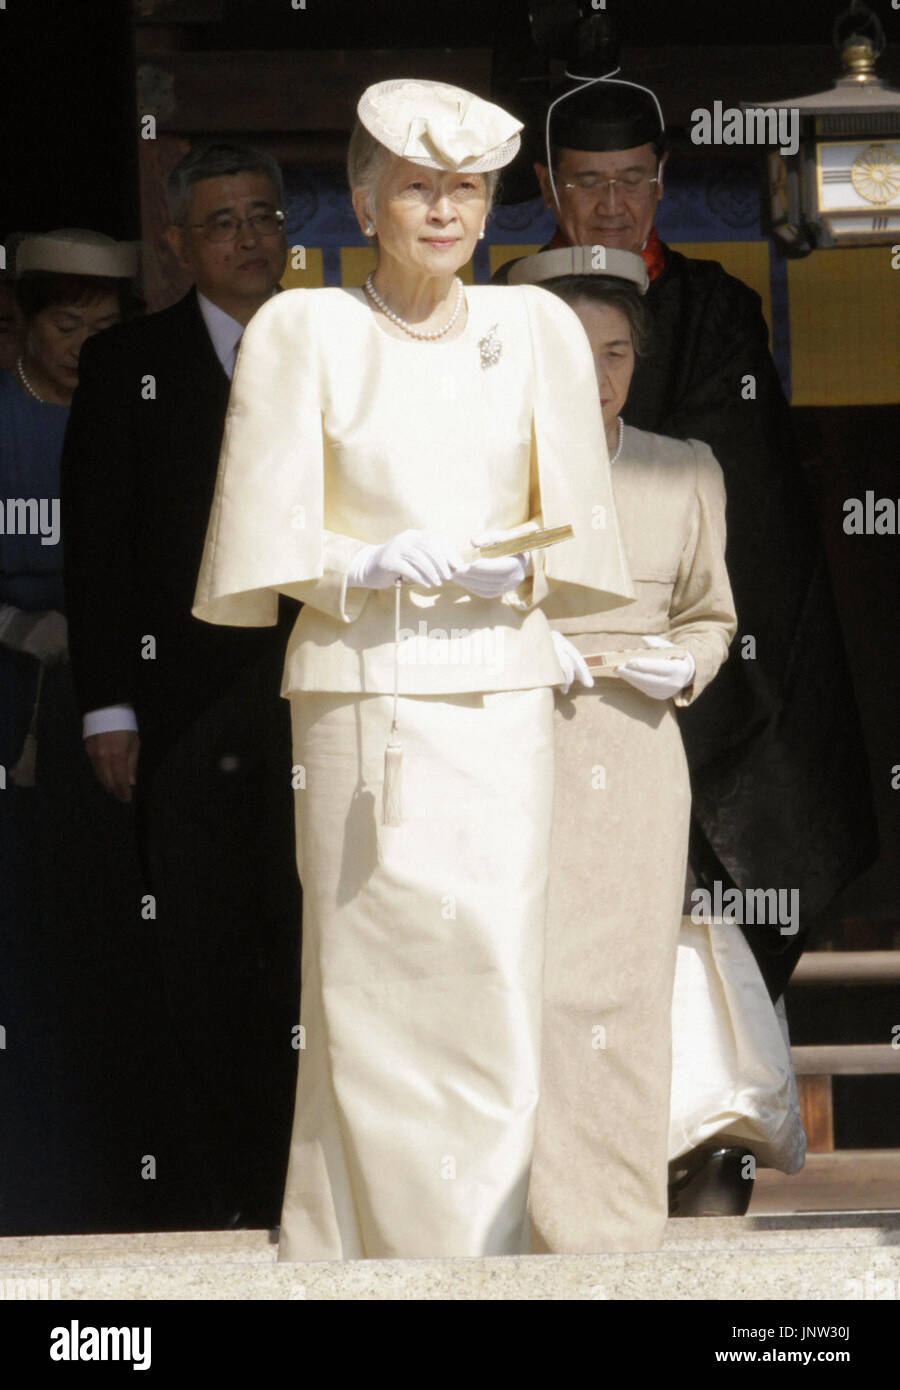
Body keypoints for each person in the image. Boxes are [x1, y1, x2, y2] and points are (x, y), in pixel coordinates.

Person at [192, 77, 634, 1261]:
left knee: (492, 969)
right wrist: (361, 562)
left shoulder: (535, 328)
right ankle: (369, 1251)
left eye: (468, 189)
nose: (445, 210)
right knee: (371, 986)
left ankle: (481, 1250)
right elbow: (261, 541)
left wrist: (519, 578)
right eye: (418, 186)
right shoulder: (305, 330)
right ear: (361, 197)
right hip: (363, 691)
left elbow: (579, 537)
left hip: (498, 691)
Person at [494, 76, 875, 1002]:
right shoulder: (503, 313)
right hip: (536, 670)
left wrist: (684, 644)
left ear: (661, 181)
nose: (613, 205)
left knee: (698, 979)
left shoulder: (717, 310)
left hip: (687, 667)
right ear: (549, 187)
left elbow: (759, 533)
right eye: (589, 182)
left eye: (633, 179)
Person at [513, 252, 804, 1251]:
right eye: (575, 351)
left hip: (637, 746)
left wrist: (676, 667)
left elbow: (713, 615)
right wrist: (523, 646)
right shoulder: (490, 466)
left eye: (617, 352)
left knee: (631, 983)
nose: (598, 375)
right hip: (519, 739)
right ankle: (535, 1214)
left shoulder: (684, 467)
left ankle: (623, 1213)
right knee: (533, 982)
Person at [61, 143, 302, 1229]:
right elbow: (98, 548)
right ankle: (218, 1197)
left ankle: (313, 1189)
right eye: (223, 222)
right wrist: (108, 702)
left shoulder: (339, 346)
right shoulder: (128, 364)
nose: (250, 237)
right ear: (176, 244)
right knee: (203, 956)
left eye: (263, 215)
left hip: (322, 697)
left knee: (312, 951)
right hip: (183, 704)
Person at [0, 229, 146, 1231]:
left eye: (104, 328)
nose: (85, 347)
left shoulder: (129, 411)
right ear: (21, 321)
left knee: (110, 939)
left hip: (111, 709)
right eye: (65, 325)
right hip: (10, 706)